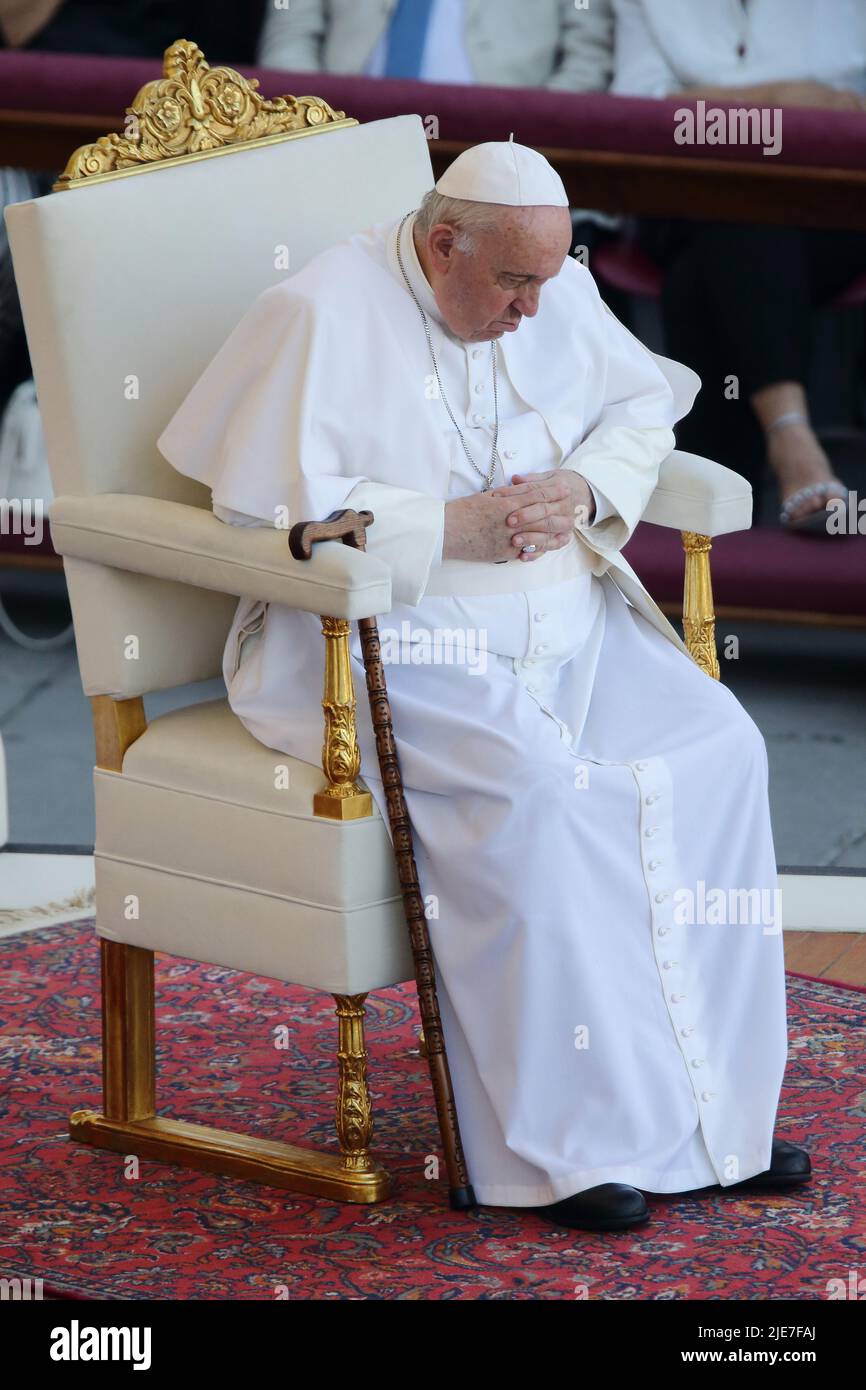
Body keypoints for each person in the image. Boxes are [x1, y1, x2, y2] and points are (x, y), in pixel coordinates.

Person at [156, 139, 810, 1232]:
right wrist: (445, 526)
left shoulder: (544, 286)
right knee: (544, 792)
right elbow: (272, 519)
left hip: (571, 620)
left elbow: (638, 409)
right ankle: (558, 1149)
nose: (528, 312)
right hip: (395, 631)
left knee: (719, 749)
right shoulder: (320, 312)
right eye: (511, 284)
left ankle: (714, 1121)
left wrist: (582, 484)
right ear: (441, 240)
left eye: (545, 283)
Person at [610, 0, 866, 534]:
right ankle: (792, 438)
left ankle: (721, 496)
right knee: (736, 204)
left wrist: (720, 107)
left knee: (701, 275)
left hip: (831, 205)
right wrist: (782, 101)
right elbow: (638, 108)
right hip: (687, 192)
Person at [256, 0, 613, 91]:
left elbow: (589, 58)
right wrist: (314, 123)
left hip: (507, 153)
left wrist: (525, 146)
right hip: (344, 136)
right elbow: (291, 36)